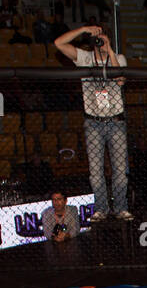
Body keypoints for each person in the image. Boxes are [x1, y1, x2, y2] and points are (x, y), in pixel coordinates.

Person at [54, 25, 133, 222]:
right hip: (93, 122)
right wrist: (83, 30)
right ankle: (101, 208)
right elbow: (59, 43)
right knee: (95, 172)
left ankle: (121, 207)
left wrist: (110, 50)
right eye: (96, 38)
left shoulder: (118, 58)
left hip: (115, 120)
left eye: (102, 36)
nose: (99, 40)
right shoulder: (85, 58)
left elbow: (121, 79)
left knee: (120, 171)